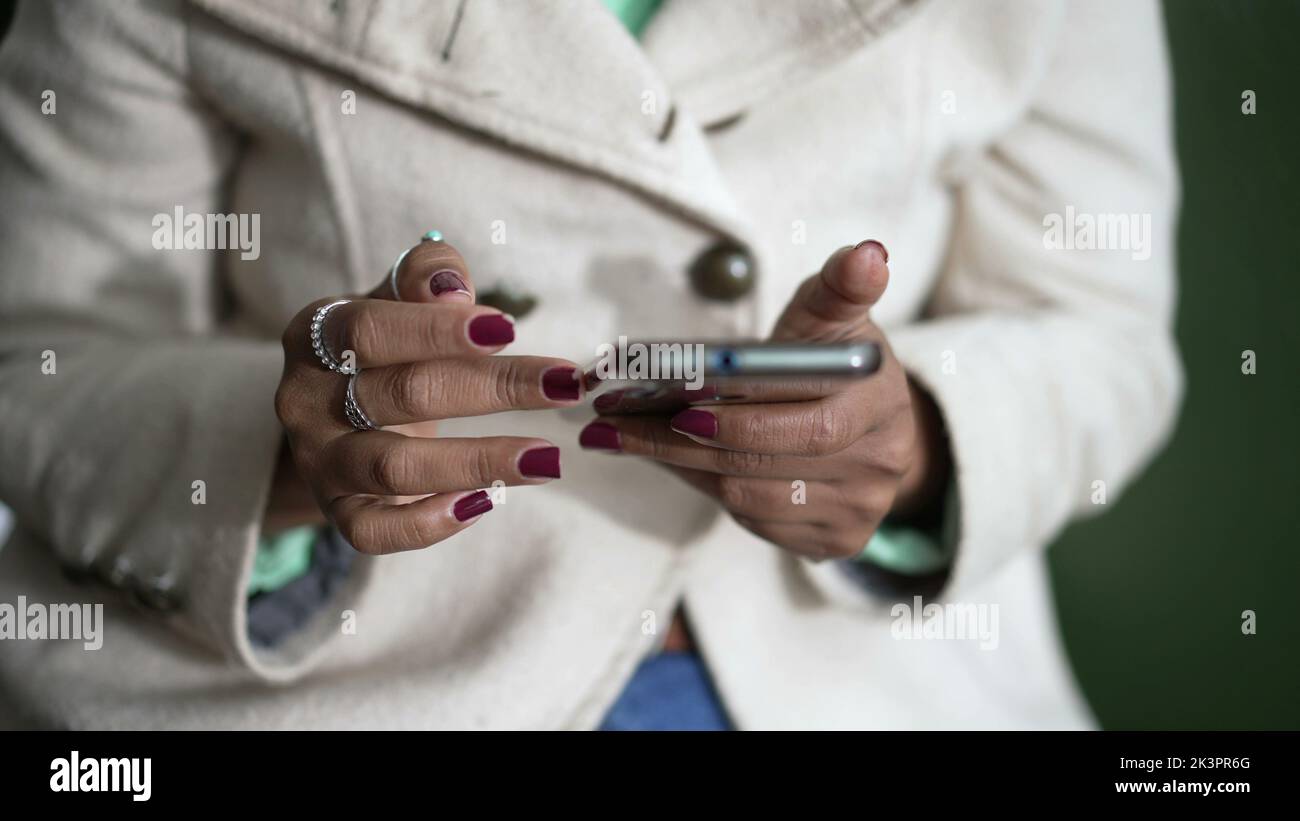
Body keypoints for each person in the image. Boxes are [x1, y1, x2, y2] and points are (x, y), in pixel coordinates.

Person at [0, 0, 1181, 729]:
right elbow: (40, 357)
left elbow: (1102, 329)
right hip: (318, 687)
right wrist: (286, 455)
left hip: (855, 684)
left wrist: (911, 437)